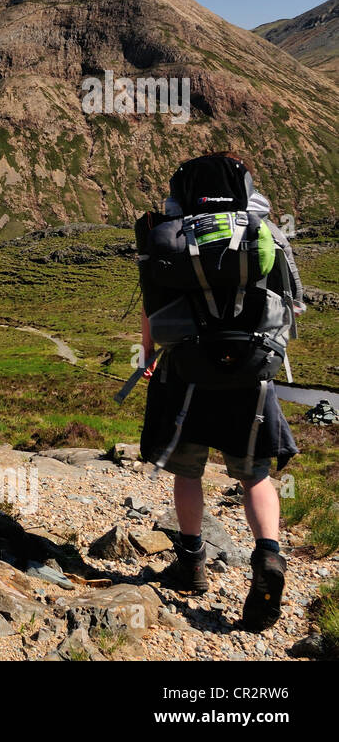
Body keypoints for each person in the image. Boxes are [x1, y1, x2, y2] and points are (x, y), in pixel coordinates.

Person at [135, 152, 303, 631]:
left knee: (188, 472)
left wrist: (148, 356)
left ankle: (191, 564)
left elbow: (152, 307)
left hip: (188, 369)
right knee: (255, 475)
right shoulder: (263, 233)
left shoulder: (171, 236)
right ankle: (268, 556)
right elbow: (289, 303)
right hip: (252, 371)